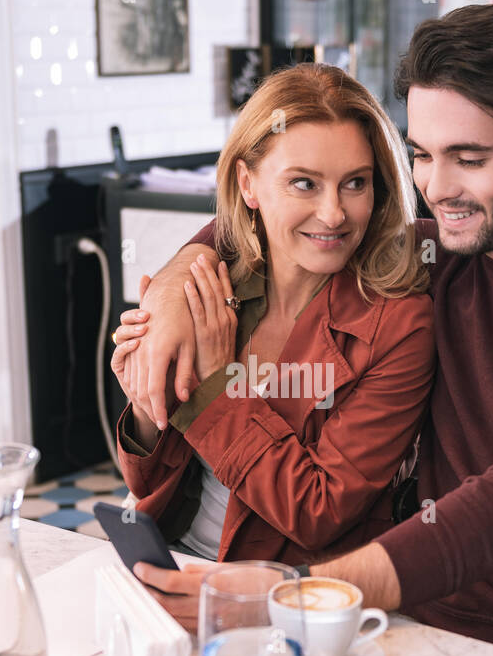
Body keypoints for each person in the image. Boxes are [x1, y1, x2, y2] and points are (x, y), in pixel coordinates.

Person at [116, 4, 493, 656]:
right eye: (422, 154)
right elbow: (252, 222)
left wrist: (296, 591)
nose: (436, 186)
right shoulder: (440, 249)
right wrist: (166, 295)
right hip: (419, 623)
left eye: (470, 158)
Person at [110, 62, 434, 565]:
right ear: (248, 184)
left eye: (355, 183)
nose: (334, 213)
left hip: (290, 590)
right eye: (304, 183)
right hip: (169, 556)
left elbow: (319, 510)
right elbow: (146, 480)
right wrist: (145, 402)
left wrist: (213, 386)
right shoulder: (212, 287)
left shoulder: (398, 325)